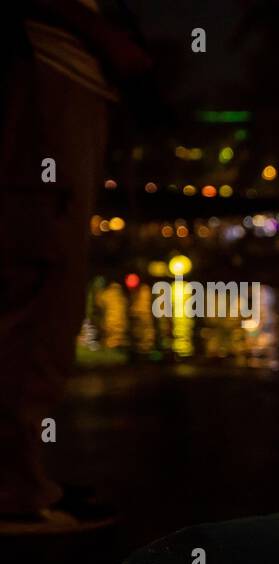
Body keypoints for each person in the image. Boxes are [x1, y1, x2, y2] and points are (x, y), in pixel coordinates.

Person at [0, 0, 149, 533]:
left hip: (58, 68)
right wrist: (100, 34)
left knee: (44, 269)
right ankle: (13, 489)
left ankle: (22, 479)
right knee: (44, 272)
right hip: (49, 65)